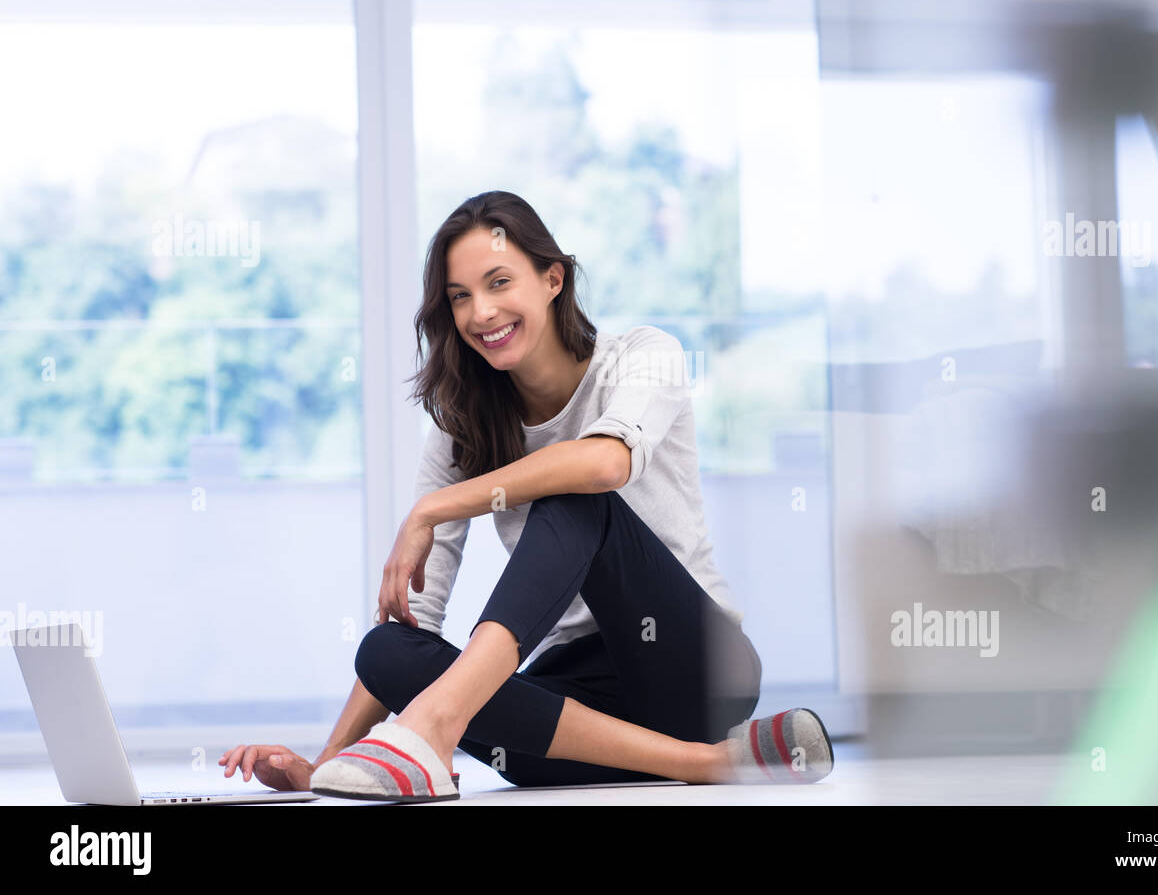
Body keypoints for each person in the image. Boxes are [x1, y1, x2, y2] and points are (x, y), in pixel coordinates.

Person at [219, 190, 832, 801]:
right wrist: (324, 767)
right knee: (386, 649)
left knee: (573, 496)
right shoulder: (460, 425)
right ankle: (706, 762)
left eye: (499, 282)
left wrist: (433, 508)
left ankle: (434, 728)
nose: (481, 312)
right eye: (460, 297)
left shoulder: (646, 357)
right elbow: (421, 614)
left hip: (694, 666)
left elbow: (603, 464)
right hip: (585, 708)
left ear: (552, 279)